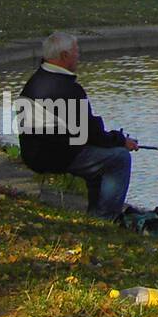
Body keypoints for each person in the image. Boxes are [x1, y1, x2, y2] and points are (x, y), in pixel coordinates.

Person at [18, 32, 138, 220]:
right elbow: (92, 134)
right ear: (64, 56)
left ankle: (95, 213)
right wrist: (122, 141)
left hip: (32, 151)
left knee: (98, 155)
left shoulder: (35, 81)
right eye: (76, 51)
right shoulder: (68, 90)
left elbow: (85, 130)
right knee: (118, 158)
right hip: (54, 155)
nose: (78, 56)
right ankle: (105, 218)